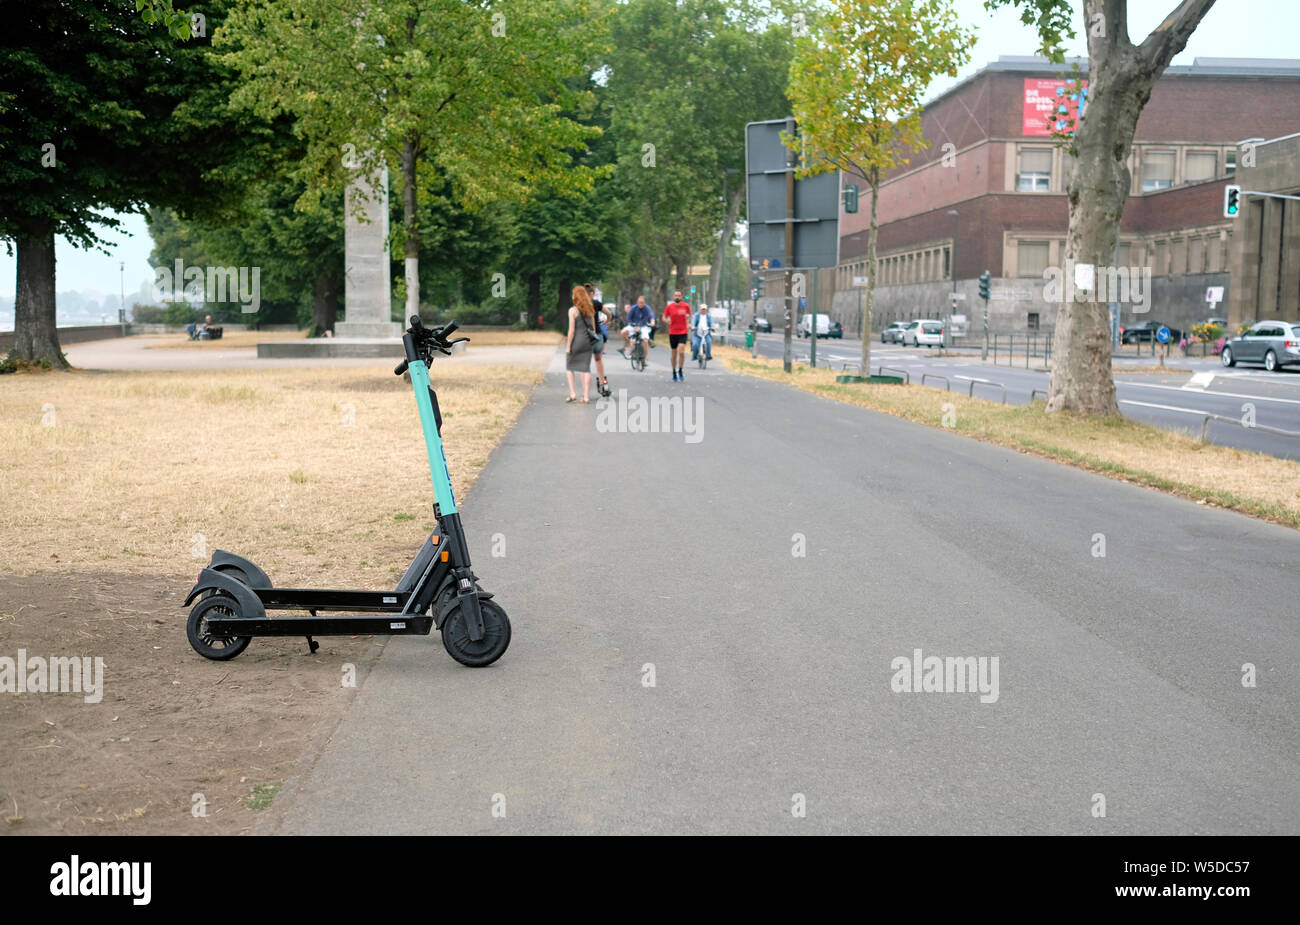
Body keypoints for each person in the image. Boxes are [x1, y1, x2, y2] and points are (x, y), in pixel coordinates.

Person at [565, 285, 597, 402]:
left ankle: (573, 394)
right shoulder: (590, 309)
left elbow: (571, 331)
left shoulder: (572, 310)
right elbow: (593, 329)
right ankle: (586, 396)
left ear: (576, 296)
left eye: (573, 294)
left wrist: (568, 346)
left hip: (576, 342)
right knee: (586, 369)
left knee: (569, 367)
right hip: (588, 342)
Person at [584, 283, 611, 398]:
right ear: (592, 294)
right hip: (598, 335)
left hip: (586, 336)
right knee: (598, 360)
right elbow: (609, 314)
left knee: (585, 364)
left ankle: (586, 394)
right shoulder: (596, 304)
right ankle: (603, 384)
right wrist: (607, 321)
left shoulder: (581, 305)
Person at [663, 290, 692, 381]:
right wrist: (667, 320)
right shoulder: (669, 307)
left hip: (683, 332)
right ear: (673, 297)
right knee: (674, 354)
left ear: (681, 297)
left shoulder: (686, 306)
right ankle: (674, 371)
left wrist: (688, 323)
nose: (677, 297)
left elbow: (690, 315)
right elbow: (664, 316)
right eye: (676, 295)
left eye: (679, 295)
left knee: (681, 351)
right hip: (673, 332)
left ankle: (680, 370)